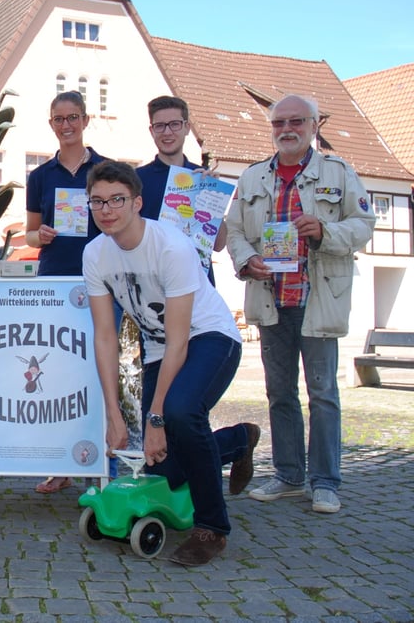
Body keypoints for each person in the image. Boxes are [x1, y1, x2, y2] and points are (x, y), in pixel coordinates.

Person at [83, 160, 260, 566]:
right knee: (162, 469)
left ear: (137, 202)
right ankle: (236, 441)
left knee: (179, 413)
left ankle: (212, 529)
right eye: (97, 201)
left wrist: (155, 417)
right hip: (162, 348)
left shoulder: (170, 246)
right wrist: (114, 415)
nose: (106, 210)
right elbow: (105, 336)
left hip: (208, 338)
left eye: (116, 200)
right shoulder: (95, 254)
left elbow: (181, 338)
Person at [225, 94, 374, 514]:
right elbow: (234, 230)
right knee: (279, 394)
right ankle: (289, 475)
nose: (286, 129)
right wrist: (245, 259)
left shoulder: (338, 172)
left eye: (296, 121)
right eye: (278, 123)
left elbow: (364, 225)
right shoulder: (253, 178)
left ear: (313, 126)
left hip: (319, 298)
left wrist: (325, 230)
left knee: (323, 393)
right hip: (272, 300)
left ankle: (325, 482)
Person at [24, 90, 110, 495]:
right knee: (57, 377)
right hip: (55, 282)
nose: (66, 125)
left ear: (85, 120)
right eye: (59, 119)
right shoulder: (40, 177)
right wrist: (37, 235)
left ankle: (100, 464)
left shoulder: (109, 169)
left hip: (101, 283)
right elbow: (29, 232)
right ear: (51, 124)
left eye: (73, 117)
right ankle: (62, 464)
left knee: (100, 374)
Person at [137, 96, 225, 284]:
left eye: (174, 124)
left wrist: (212, 200)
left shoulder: (203, 179)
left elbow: (219, 244)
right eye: (160, 126)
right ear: (152, 131)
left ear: (186, 127)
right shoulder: (136, 180)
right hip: (153, 286)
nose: (167, 132)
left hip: (198, 287)